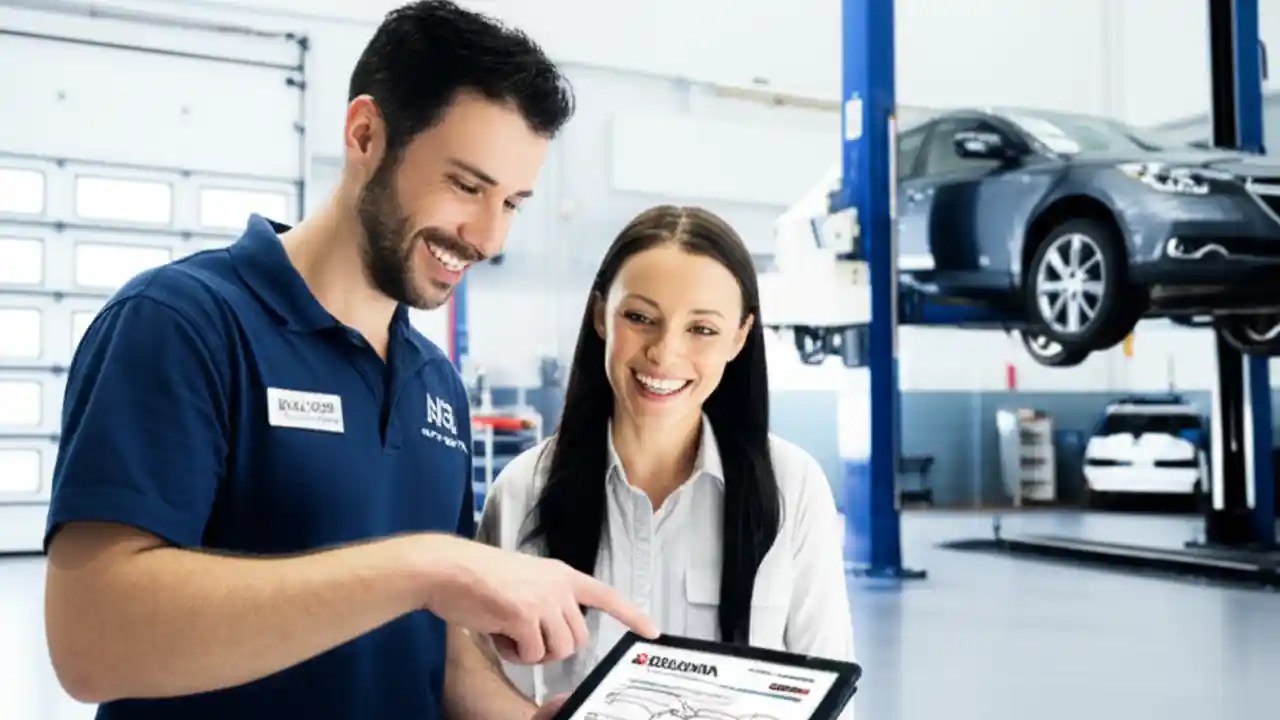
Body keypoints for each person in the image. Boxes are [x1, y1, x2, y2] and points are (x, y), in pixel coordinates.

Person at [41, 3, 657, 719]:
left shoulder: (436, 386)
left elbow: (436, 640)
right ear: (365, 134)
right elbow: (92, 640)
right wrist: (428, 566)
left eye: (513, 202)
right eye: (466, 186)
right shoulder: (182, 324)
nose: (489, 237)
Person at [476, 205, 856, 702]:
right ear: (600, 315)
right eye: (640, 318)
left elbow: (830, 691)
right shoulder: (522, 490)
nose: (664, 352)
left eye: (702, 329)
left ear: (740, 336)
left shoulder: (793, 487)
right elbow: (484, 686)